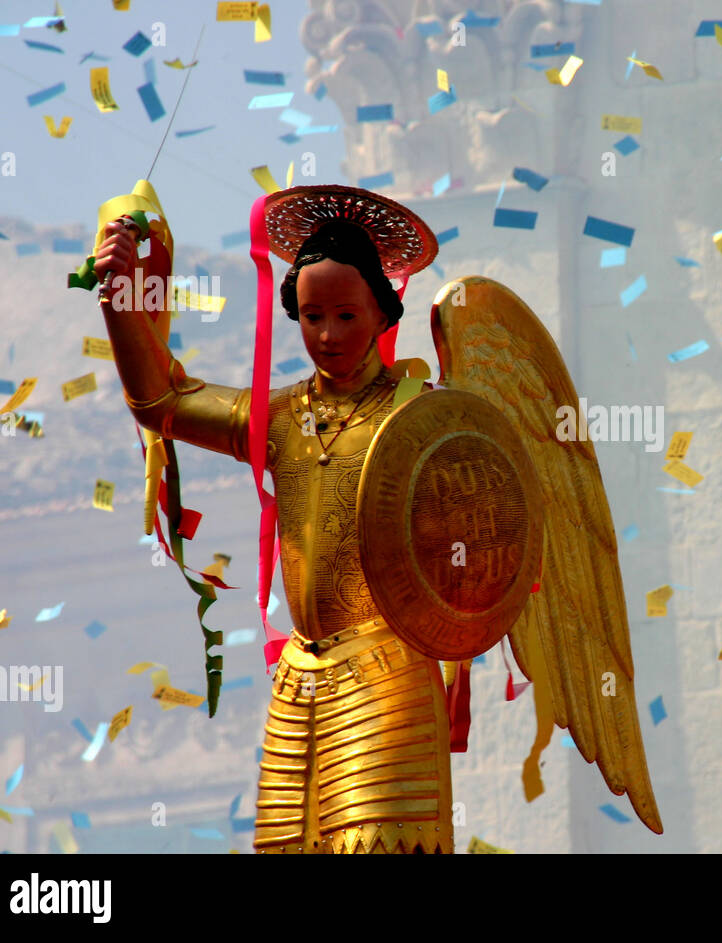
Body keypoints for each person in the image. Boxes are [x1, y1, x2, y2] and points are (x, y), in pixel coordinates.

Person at [94, 193, 461, 853]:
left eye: (346, 315)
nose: (327, 334)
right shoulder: (282, 418)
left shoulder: (424, 418)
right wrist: (121, 300)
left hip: (389, 678)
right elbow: (160, 401)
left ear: (382, 310)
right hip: (300, 680)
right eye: (313, 316)